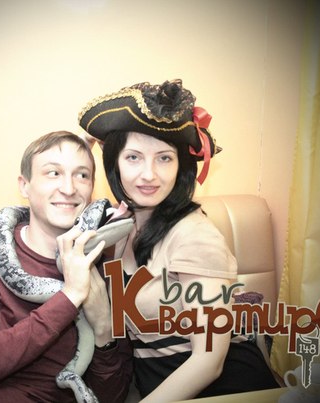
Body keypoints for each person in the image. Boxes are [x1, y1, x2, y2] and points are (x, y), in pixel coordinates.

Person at [78, 80, 280, 401]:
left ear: (180, 166)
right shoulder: (119, 227)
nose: (149, 174)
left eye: (164, 158)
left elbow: (208, 361)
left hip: (225, 391)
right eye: (133, 157)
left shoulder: (195, 235)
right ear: (113, 162)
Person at [0, 131, 133, 402]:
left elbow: (113, 396)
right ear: (24, 186)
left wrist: (103, 327)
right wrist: (70, 296)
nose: (69, 188)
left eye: (82, 175)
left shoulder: (106, 262)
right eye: (53, 173)